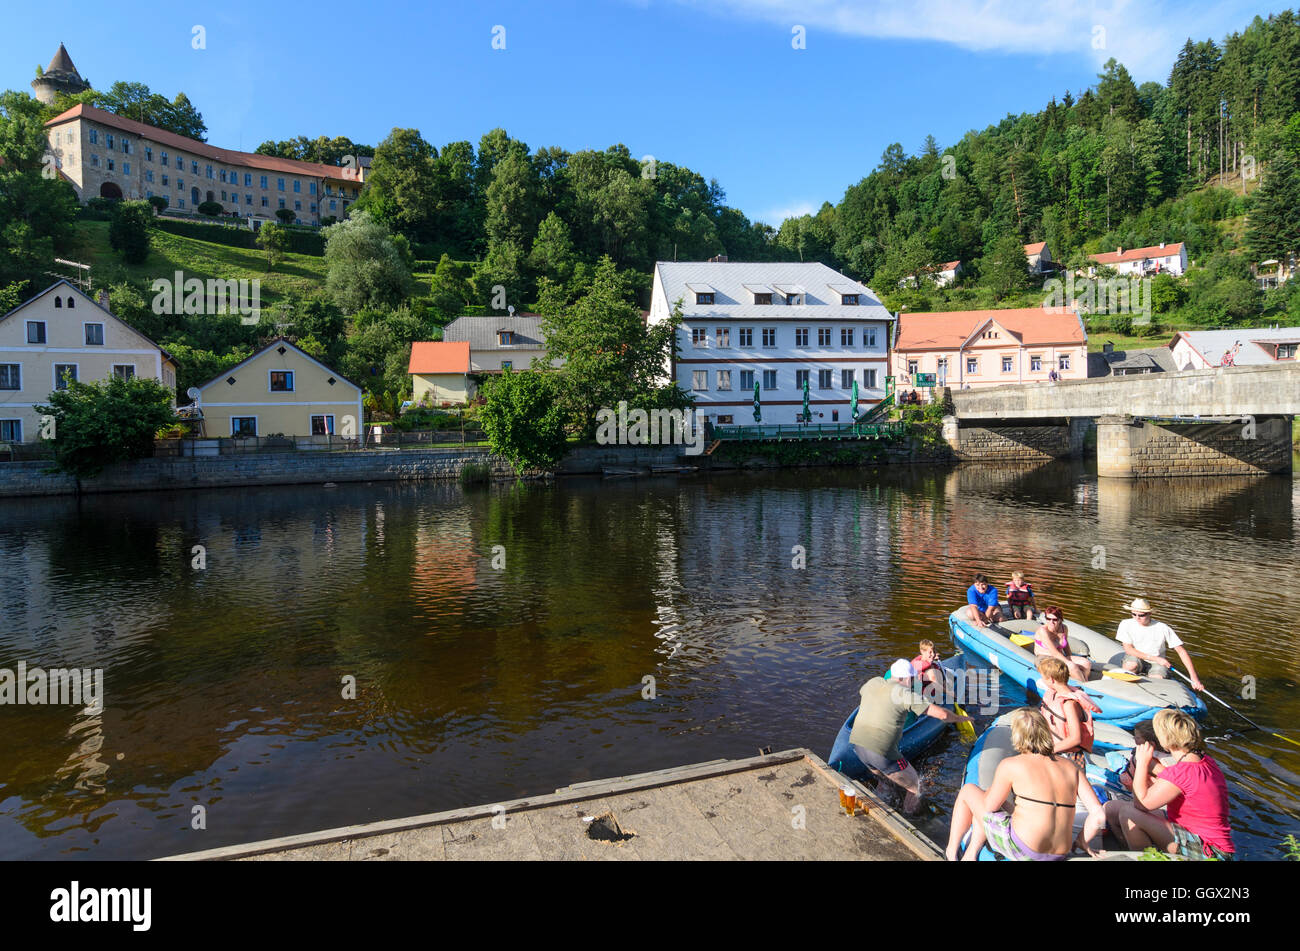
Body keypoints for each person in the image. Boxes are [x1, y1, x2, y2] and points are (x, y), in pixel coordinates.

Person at [945, 708, 1105, 861]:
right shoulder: (1072, 767)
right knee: (1003, 806)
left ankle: (951, 853)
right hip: (1060, 853)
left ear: (1017, 735)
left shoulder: (1011, 764)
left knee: (969, 791)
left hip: (1024, 850)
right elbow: (1098, 814)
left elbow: (988, 807)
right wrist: (1082, 841)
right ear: (1047, 733)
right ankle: (971, 854)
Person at [1103, 709, 1235, 859]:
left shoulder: (1182, 771)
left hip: (1210, 851)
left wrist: (1142, 763)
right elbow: (1175, 784)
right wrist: (1153, 769)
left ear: (1165, 739)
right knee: (1113, 808)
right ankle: (1127, 851)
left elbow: (1141, 804)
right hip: (1192, 832)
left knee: (1129, 814)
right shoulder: (1203, 760)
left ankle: (1145, 856)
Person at [850, 659, 972, 813]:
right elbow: (941, 714)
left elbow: (864, 692)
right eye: (913, 679)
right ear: (907, 679)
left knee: (885, 781)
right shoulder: (904, 693)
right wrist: (960, 718)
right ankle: (909, 819)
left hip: (858, 747)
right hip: (882, 753)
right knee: (916, 786)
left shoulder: (873, 683)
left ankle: (877, 809)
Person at [1118, 598, 1203, 691]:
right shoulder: (1125, 624)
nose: (1137, 618)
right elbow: (1128, 649)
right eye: (1134, 614)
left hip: (1156, 663)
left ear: (1149, 614)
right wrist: (1155, 658)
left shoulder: (1162, 628)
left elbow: (1181, 651)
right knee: (1131, 665)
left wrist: (1193, 677)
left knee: (1156, 679)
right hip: (1138, 658)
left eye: (1141, 615)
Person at [1034, 607, 1092, 682]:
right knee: (1072, 666)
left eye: (1054, 620)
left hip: (1060, 657)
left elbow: (1066, 646)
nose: (1051, 622)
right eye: (1048, 619)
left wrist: (1070, 657)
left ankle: (1084, 681)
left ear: (1060, 620)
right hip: (1045, 659)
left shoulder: (1064, 628)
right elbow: (1054, 652)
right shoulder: (1043, 631)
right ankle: (1083, 686)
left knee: (1086, 663)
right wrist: (1069, 663)